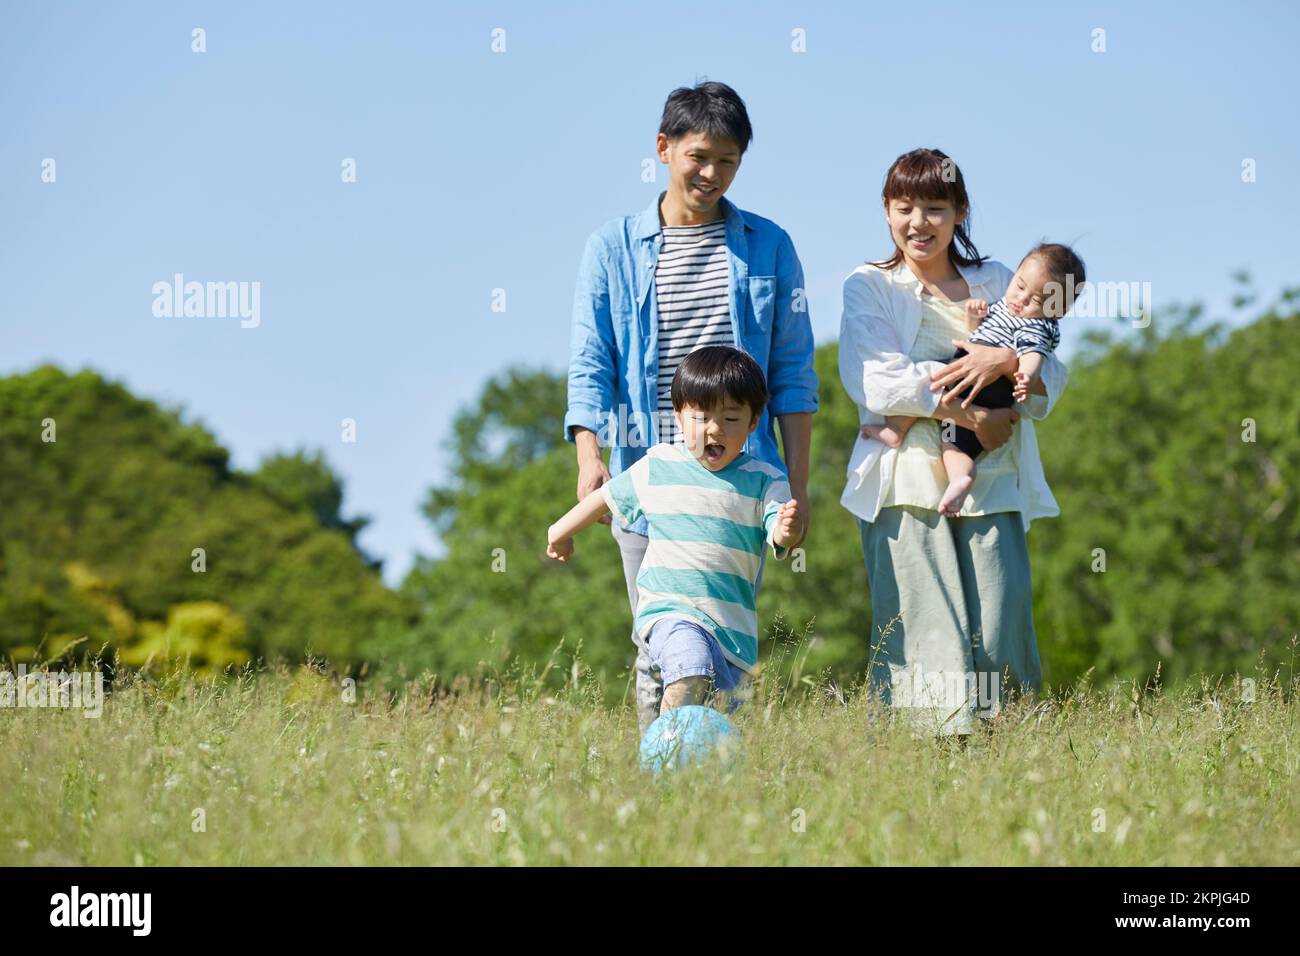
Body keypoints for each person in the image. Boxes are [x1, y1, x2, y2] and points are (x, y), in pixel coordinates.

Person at [564, 81, 817, 731]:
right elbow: (591, 361)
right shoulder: (612, 248)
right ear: (663, 148)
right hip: (646, 472)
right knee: (661, 643)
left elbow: (793, 374)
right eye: (699, 156)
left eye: (729, 161)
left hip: (739, 480)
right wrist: (590, 458)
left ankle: (714, 782)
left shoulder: (769, 247)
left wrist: (797, 487)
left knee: (722, 643)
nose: (712, 173)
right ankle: (663, 779)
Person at [838, 147, 1070, 737]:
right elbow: (875, 378)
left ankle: (1011, 751)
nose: (919, 222)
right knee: (925, 624)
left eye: (936, 207)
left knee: (997, 623)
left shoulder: (1000, 279)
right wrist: (971, 417)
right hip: (906, 478)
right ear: (886, 212)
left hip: (994, 478)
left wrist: (1009, 357)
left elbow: (1051, 376)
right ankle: (929, 761)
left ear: (960, 212)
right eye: (904, 207)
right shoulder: (870, 286)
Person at [549, 347, 802, 718]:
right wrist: (559, 532)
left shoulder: (765, 480)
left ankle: (677, 769)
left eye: (731, 418)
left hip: (733, 630)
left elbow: (778, 532)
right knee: (691, 672)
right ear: (680, 417)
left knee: (723, 726)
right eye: (701, 418)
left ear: (754, 422)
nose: (715, 429)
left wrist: (786, 530)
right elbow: (604, 499)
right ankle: (670, 748)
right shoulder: (659, 465)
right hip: (671, 611)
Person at [861, 242, 1085, 516]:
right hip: (975, 382)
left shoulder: (1037, 325)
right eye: (1020, 285)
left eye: (1037, 299)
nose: (1022, 298)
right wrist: (974, 318)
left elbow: (1033, 353)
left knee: (931, 379)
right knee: (954, 441)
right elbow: (977, 335)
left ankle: (895, 430)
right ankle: (961, 477)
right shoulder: (1004, 306)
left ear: (1057, 311)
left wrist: (1023, 373)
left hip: (987, 383)